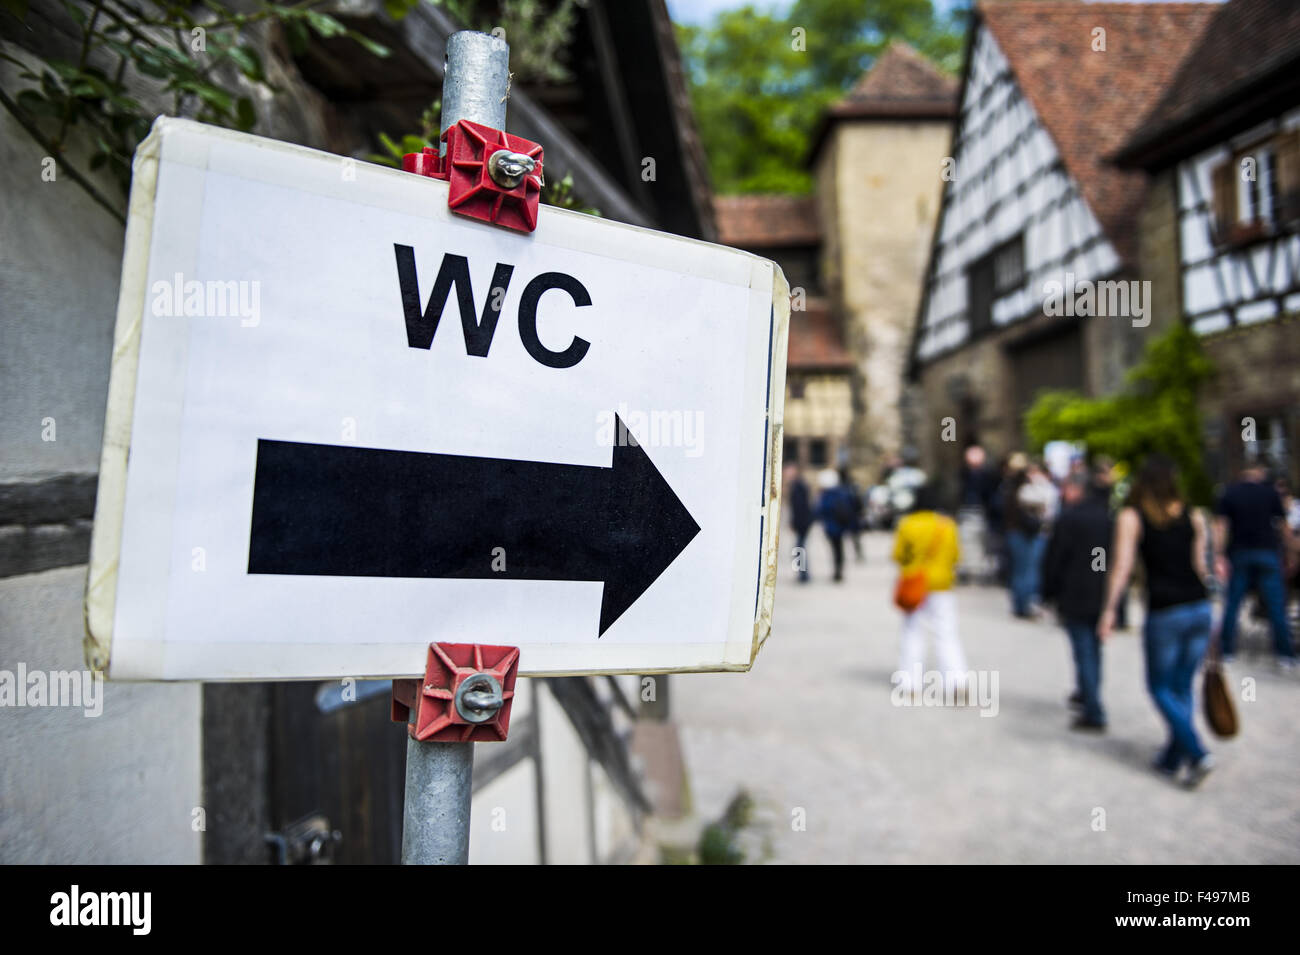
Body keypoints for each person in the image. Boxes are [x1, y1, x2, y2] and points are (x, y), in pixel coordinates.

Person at [1099, 455, 1215, 787]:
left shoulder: (1132, 517)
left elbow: (1121, 567)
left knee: (1160, 687)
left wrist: (1109, 611)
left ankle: (1197, 752)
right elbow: (1202, 567)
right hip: (1199, 606)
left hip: (1166, 610)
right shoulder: (1194, 515)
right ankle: (1173, 756)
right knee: (1181, 686)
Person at [1041, 469, 1113, 731]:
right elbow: (1108, 559)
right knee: (1093, 648)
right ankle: (1087, 691)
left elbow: (1056, 558)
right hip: (1100, 590)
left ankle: (1093, 709)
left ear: (1076, 490)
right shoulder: (1106, 517)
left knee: (1083, 649)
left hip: (1075, 591)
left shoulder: (1070, 519)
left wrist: (1048, 591)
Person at [1213, 458, 1296, 667]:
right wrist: (1291, 552)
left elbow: (1221, 527)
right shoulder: (1270, 492)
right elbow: (1284, 526)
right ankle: (1285, 654)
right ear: (1259, 471)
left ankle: (1227, 650)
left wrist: (1218, 554)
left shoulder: (1230, 492)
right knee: (1277, 605)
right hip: (1267, 551)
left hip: (1240, 552)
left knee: (1233, 603)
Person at [893, 483, 967, 697]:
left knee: (912, 632)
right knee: (946, 632)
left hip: (915, 584)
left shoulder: (907, 524)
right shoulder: (947, 525)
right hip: (942, 585)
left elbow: (898, 554)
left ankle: (910, 684)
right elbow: (956, 555)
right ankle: (956, 682)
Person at [1003, 454, 1050, 618]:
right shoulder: (1021, 489)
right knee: (1027, 570)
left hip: (1017, 531)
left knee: (1021, 570)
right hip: (1024, 532)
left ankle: (1020, 605)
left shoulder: (1011, 487)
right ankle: (1023, 605)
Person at [815, 468, 855, 582]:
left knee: (835, 550)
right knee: (839, 550)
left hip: (831, 527)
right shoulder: (842, 492)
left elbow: (820, 511)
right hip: (840, 527)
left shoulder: (826, 495)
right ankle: (839, 570)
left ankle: (837, 571)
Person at [785, 463, 814, 583]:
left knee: (799, 548)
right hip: (803, 523)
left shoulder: (798, 487)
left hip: (803, 523)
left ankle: (803, 575)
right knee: (799, 548)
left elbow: (800, 508)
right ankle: (802, 573)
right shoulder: (797, 486)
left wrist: (796, 523)